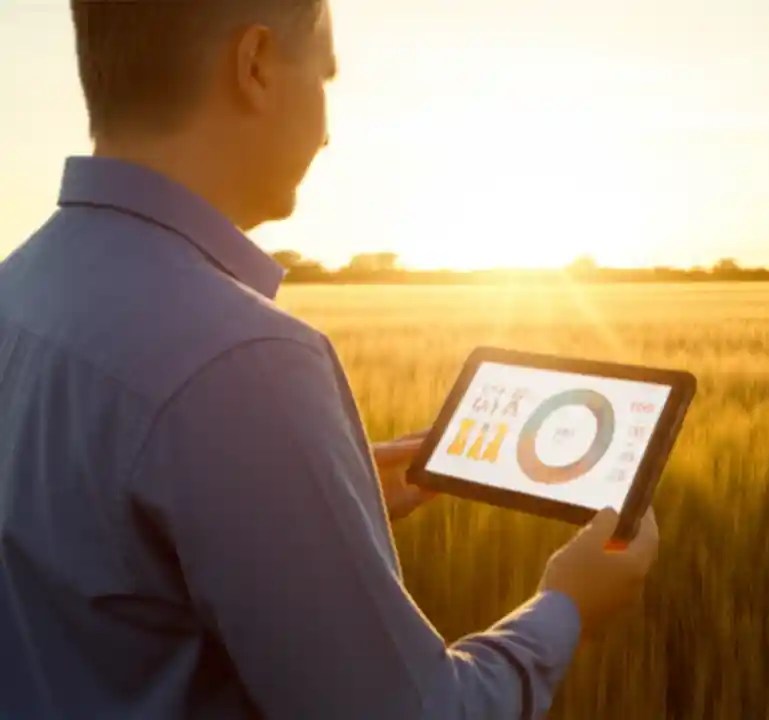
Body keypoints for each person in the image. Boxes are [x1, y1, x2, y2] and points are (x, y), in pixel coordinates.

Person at [0, 1, 659, 717]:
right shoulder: (243, 360)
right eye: (325, 77)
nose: (328, 131)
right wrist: (567, 607)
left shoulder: (18, 287)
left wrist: (307, 498)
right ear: (255, 66)